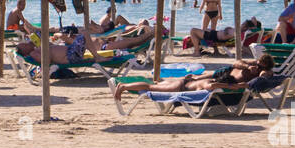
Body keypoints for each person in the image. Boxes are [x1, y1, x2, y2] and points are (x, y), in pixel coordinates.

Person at [116, 55, 275, 102]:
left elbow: (263, 76)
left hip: (184, 83)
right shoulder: (212, 83)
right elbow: (210, 86)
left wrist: (236, 85)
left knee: (154, 84)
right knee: (150, 87)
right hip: (180, 87)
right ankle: (123, 87)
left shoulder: (216, 81)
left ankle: (124, 86)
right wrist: (236, 86)